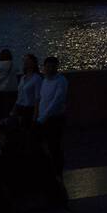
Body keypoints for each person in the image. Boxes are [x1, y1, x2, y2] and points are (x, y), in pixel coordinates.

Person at [36, 56, 69, 202]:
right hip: (44, 118)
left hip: (54, 119)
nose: (49, 69)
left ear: (56, 67)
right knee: (47, 146)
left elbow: (57, 100)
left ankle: (58, 173)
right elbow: (43, 100)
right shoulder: (44, 80)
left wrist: (43, 117)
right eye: (47, 66)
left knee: (54, 146)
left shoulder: (61, 81)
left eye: (51, 66)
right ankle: (52, 172)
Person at [11, 53, 42, 124]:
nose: (25, 62)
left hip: (30, 109)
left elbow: (38, 98)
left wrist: (35, 115)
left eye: (27, 60)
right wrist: (14, 109)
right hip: (21, 108)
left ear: (33, 63)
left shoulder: (37, 79)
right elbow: (20, 96)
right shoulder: (23, 78)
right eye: (24, 60)